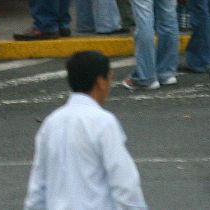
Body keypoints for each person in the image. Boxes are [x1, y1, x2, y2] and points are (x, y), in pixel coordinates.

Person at [23, 51, 147, 210]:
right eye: (109, 78)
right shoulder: (103, 122)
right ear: (100, 82)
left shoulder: (51, 123)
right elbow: (124, 182)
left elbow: (37, 187)